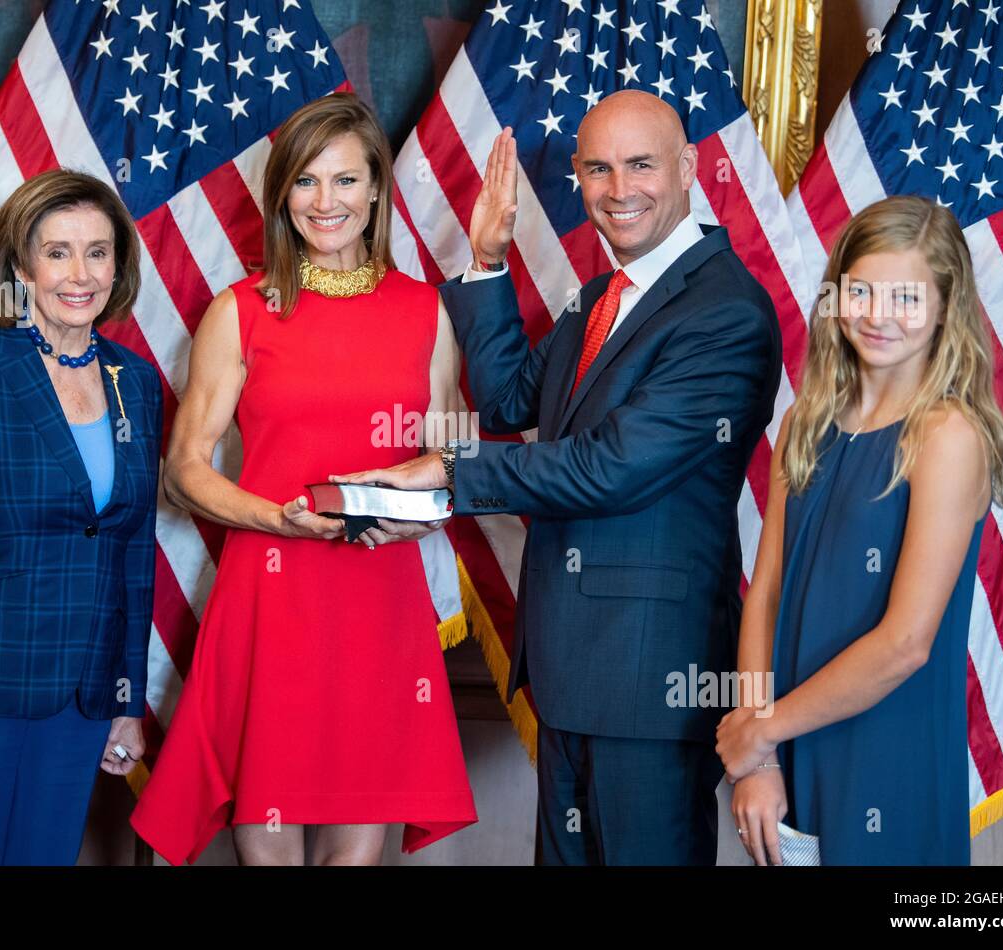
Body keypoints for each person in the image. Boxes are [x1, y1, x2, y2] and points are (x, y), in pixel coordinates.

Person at [332, 90, 782, 865]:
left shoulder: (725, 312)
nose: (618, 190)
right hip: (572, 670)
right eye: (597, 169)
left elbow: (611, 467)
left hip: (650, 680)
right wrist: (487, 262)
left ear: (688, 168)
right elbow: (510, 401)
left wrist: (448, 467)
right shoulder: (604, 298)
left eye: (640, 165)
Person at [128, 92, 477, 866]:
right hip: (270, 589)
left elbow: (458, 461)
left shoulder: (425, 311)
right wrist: (273, 519)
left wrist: (420, 512)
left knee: (353, 858)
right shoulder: (242, 310)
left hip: (380, 592)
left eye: (346, 181)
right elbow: (185, 471)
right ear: (282, 192)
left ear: (377, 188)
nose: (327, 203)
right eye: (307, 183)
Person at [716, 195, 1003, 866]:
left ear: (945, 307)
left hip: (886, 749)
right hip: (789, 741)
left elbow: (906, 644)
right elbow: (763, 593)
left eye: (906, 297)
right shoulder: (805, 420)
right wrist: (757, 763)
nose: (878, 316)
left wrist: (760, 732)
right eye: (862, 292)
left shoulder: (947, 434)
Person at [0, 168, 163, 865]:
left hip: (84, 693)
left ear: (119, 265)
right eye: (57, 252)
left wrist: (126, 698)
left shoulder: (136, 382)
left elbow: (133, 553)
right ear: (22, 265)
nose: (78, 273)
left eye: (97, 251)